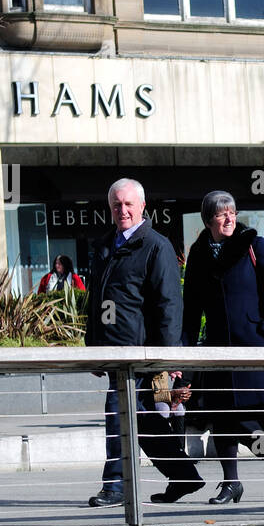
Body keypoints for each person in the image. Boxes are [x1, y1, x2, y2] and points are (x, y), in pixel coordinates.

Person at [183, 190, 264, 505]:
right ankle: (231, 484)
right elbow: (191, 308)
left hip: (254, 345)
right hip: (218, 348)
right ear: (209, 219)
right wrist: (185, 350)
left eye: (232, 212)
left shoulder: (253, 244)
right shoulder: (199, 253)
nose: (229, 218)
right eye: (221, 213)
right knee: (222, 416)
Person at [85, 177, 205, 507]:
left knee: (118, 414)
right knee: (143, 419)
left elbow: (169, 304)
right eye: (116, 205)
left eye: (128, 204)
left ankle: (116, 485)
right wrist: (93, 347)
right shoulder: (105, 245)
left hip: (145, 354)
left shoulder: (156, 246)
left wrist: (168, 359)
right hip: (115, 352)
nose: (122, 210)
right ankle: (184, 477)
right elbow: (96, 300)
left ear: (142, 207)